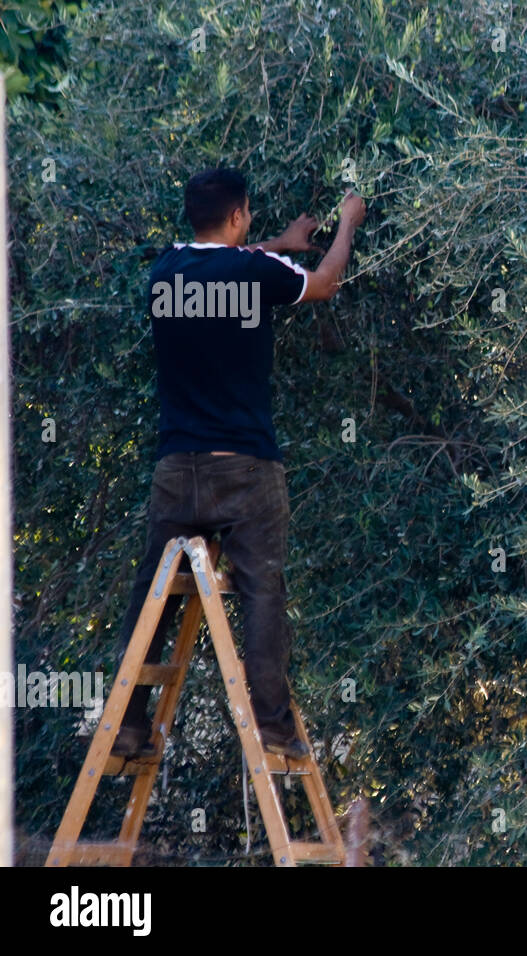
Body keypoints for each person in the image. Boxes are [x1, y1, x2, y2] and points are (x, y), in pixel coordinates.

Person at [110, 168, 366, 761]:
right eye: (247, 215)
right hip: (246, 468)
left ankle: (125, 724)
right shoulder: (254, 272)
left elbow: (224, 264)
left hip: (177, 472)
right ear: (236, 216)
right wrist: (346, 221)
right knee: (262, 594)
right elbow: (325, 282)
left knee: (152, 596)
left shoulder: (164, 273)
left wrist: (279, 241)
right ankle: (273, 726)